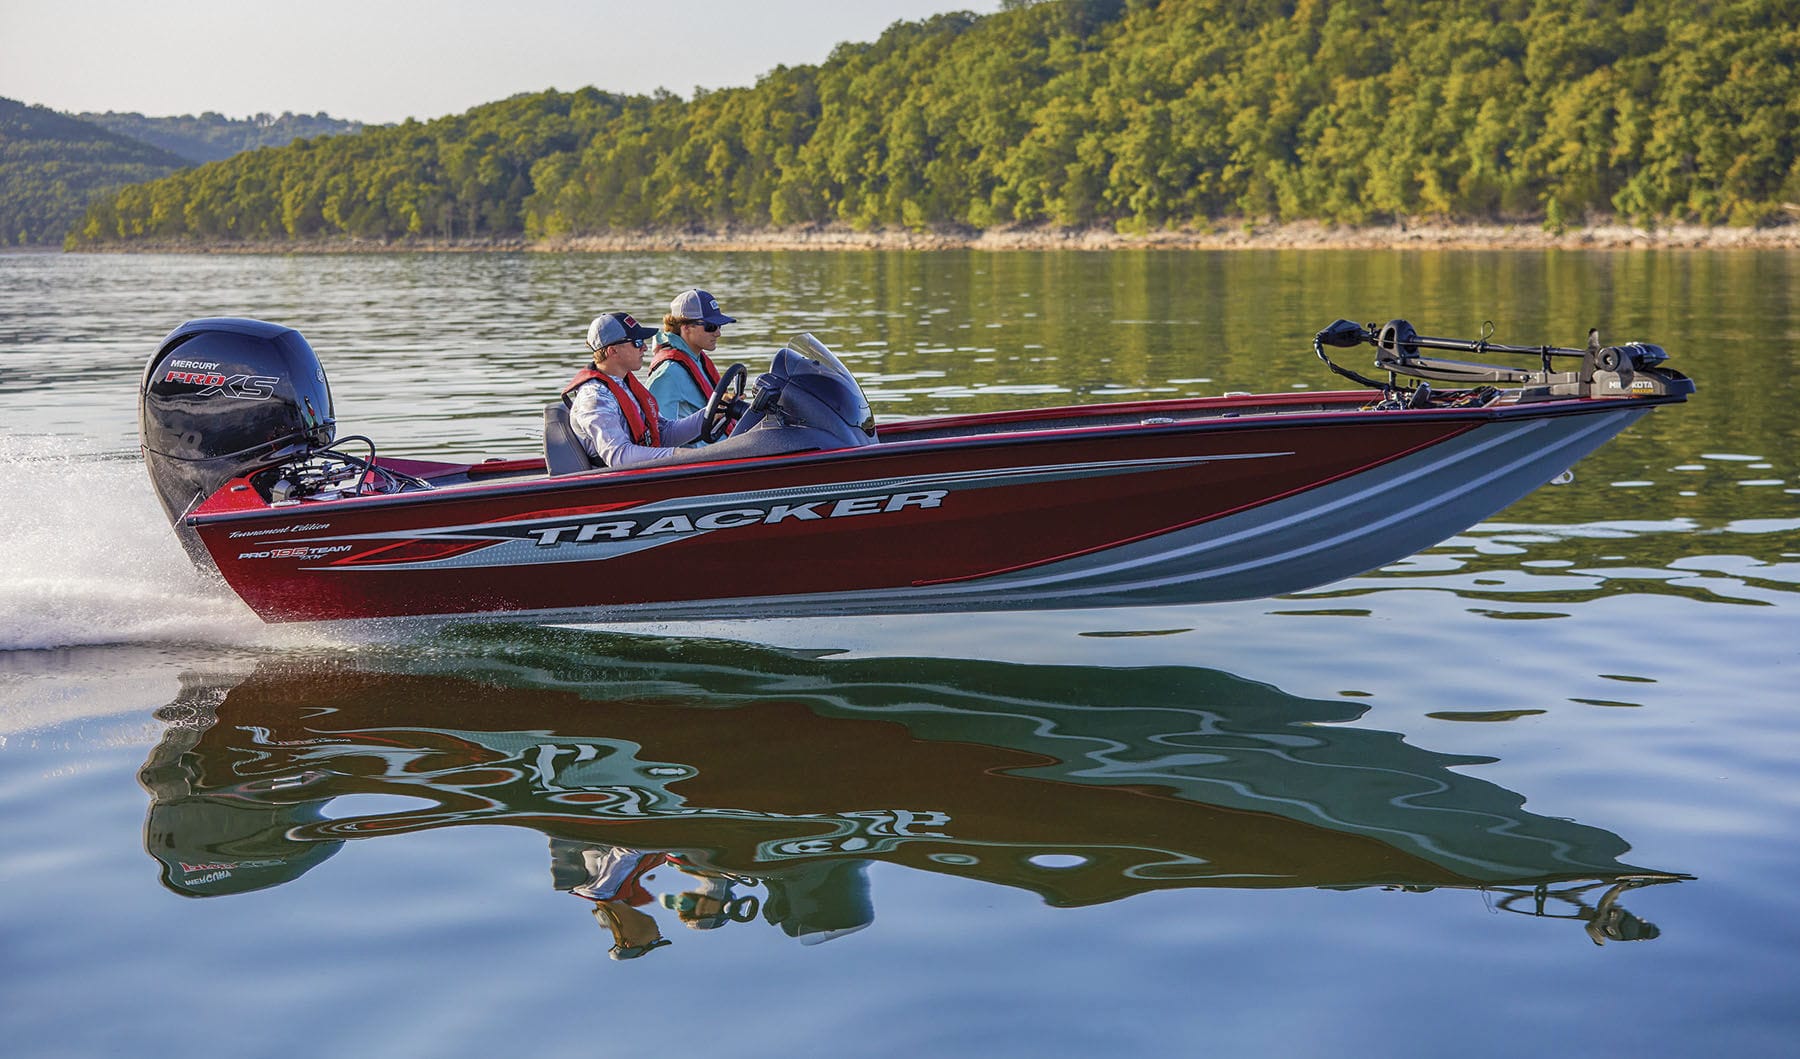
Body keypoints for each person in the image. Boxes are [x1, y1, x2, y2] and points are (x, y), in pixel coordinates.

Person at [563, 310, 708, 468]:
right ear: (613, 351)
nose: (645, 347)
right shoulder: (595, 398)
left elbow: (663, 433)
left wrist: (711, 414)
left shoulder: (624, 384)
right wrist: (676, 455)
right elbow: (619, 455)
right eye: (637, 342)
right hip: (614, 485)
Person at [646, 288, 737, 445]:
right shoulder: (668, 373)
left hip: (722, 447)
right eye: (710, 326)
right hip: (702, 460)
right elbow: (660, 438)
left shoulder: (697, 360)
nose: (718, 333)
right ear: (685, 327)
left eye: (719, 326)